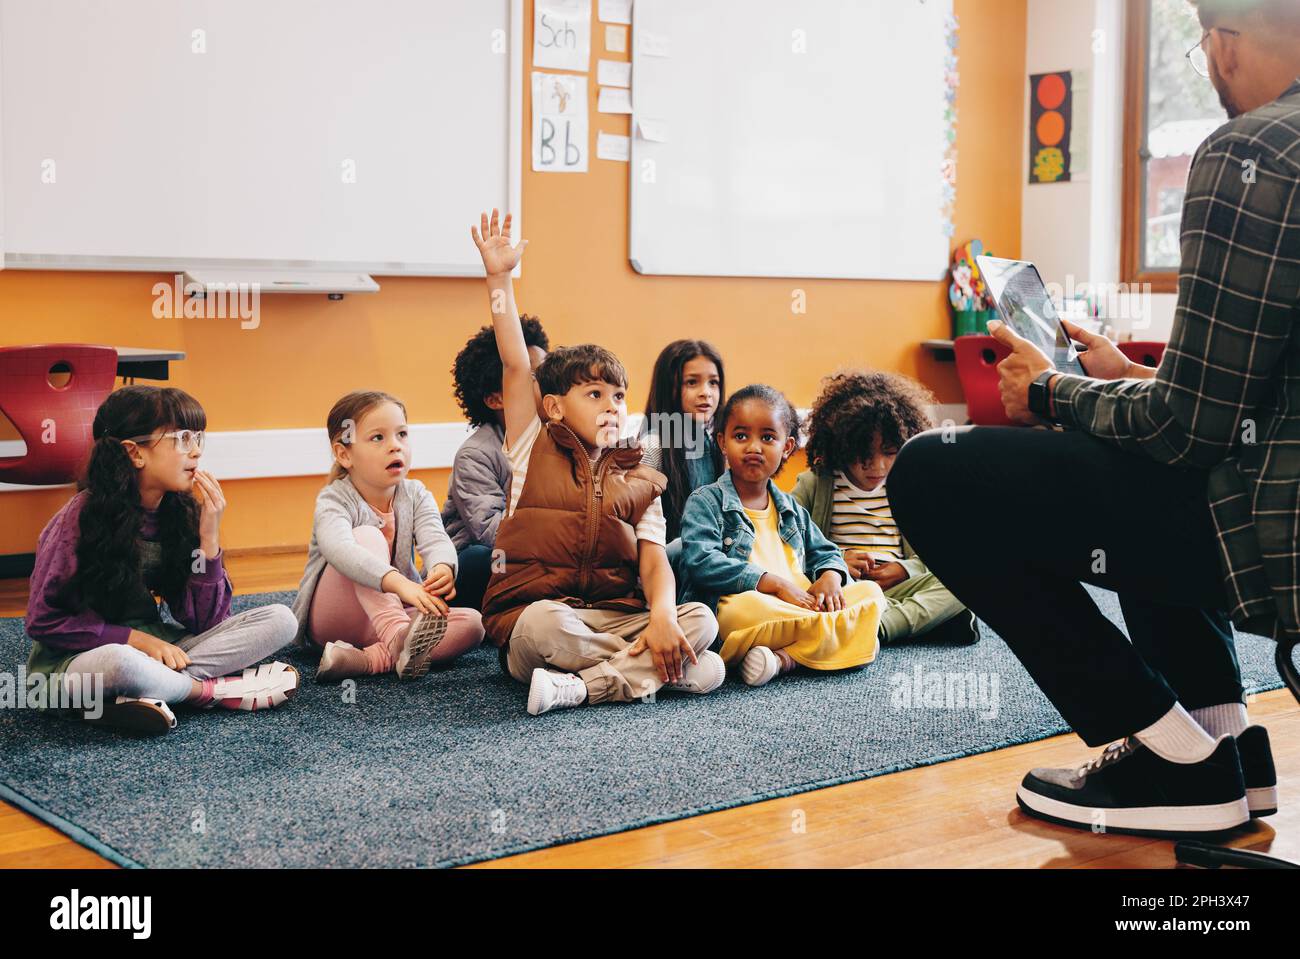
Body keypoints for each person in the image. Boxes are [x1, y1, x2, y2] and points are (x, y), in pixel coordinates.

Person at [889, 0, 1300, 836]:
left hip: (1267, 538)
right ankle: (1227, 742)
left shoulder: (1256, 147)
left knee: (931, 473)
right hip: (1274, 505)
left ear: (1220, 44)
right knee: (1128, 448)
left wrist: (1051, 392)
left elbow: (1186, 430)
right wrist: (1134, 376)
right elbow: (1252, 398)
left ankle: (1170, 754)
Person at [471, 208, 723, 716]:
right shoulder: (530, 445)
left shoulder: (639, 469)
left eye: (619, 396)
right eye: (595, 394)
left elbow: (653, 560)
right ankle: (657, 669)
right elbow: (518, 365)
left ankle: (586, 686)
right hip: (540, 619)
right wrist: (500, 277)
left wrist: (663, 616)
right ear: (555, 406)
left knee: (701, 621)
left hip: (612, 616)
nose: (612, 405)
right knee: (547, 626)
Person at [25, 386, 299, 736]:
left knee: (280, 619)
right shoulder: (79, 517)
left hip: (159, 649)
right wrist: (134, 640)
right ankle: (207, 692)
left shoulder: (179, 511)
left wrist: (209, 540)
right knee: (122, 664)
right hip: (74, 662)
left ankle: (146, 694)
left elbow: (205, 621)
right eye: (183, 438)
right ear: (134, 454)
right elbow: (43, 622)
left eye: (198, 437)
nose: (197, 450)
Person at [680, 385, 886, 687]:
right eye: (741, 436)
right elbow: (702, 562)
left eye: (767, 437)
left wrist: (830, 576)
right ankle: (844, 637)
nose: (753, 447)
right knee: (744, 609)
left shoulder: (790, 507)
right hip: (752, 606)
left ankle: (782, 659)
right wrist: (773, 583)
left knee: (870, 594)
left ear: (787, 447)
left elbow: (826, 552)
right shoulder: (706, 502)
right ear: (723, 443)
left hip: (797, 606)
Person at [292, 390, 484, 682]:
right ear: (344, 454)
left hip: (385, 613)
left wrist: (442, 567)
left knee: (473, 625)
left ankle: (369, 660)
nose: (395, 447)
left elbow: (435, 538)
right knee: (367, 537)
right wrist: (400, 584)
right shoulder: (334, 499)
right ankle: (396, 638)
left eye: (402, 434)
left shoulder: (416, 493)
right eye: (378, 438)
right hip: (332, 619)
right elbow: (341, 551)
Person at [793, 370, 976, 647]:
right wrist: (836, 562)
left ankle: (875, 627)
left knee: (966, 577)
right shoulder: (815, 483)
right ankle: (895, 623)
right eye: (863, 455)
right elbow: (784, 542)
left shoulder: (914, 485)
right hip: (842, 591)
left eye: (889, 452)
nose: (877, 466)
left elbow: (942, 551)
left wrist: (905, 569)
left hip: (898, 590)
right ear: (840, 445)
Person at [442, 318, 550, 610]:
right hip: (484, 560)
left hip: (545, 557)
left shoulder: (559, 435)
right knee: (480, 561)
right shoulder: (476, 454)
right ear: (495, 399)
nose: (550, 383)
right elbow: (492, 533)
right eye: (535, 377)